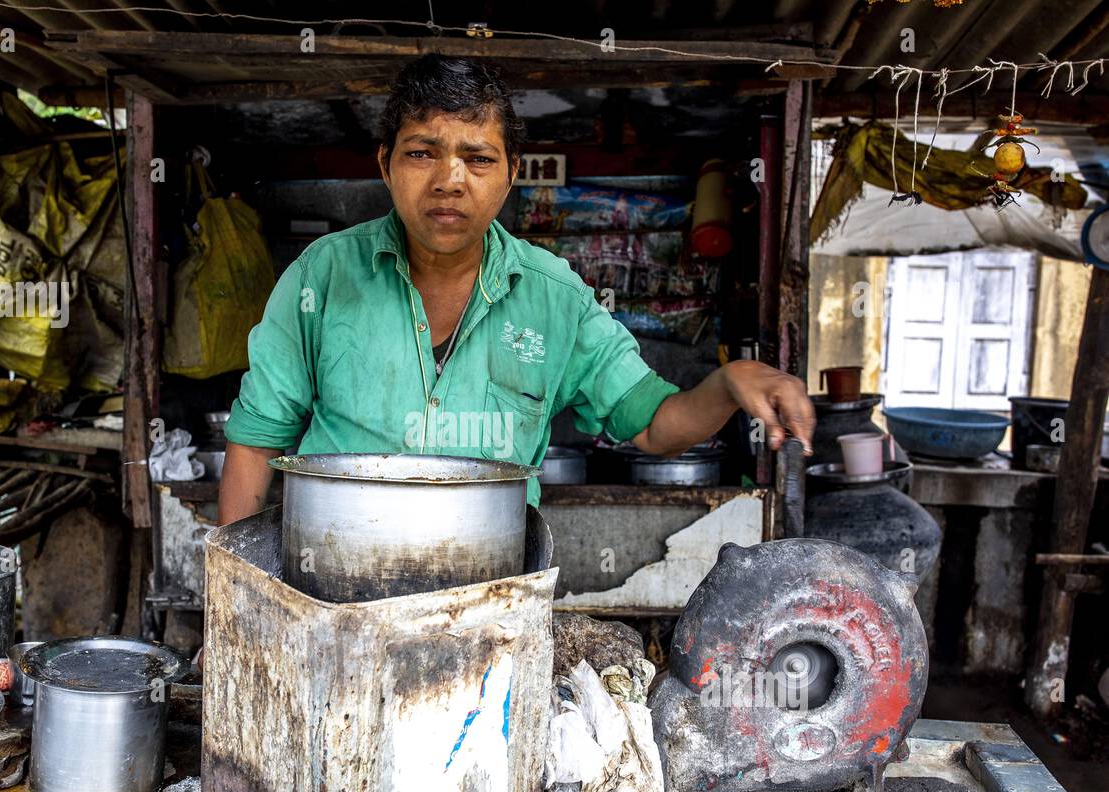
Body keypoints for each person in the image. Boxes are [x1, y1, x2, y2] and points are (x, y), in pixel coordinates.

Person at [217, 54, 814, 524]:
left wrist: (729, 382)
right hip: (335, 585)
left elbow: (654, 424)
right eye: (422, 153)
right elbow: (255, 441)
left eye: (477, 159)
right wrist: (235, 602)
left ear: (511, 175)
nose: (449, 181)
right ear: (385, 164)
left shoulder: (556, 298)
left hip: (491, 600)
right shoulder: (320, 277)